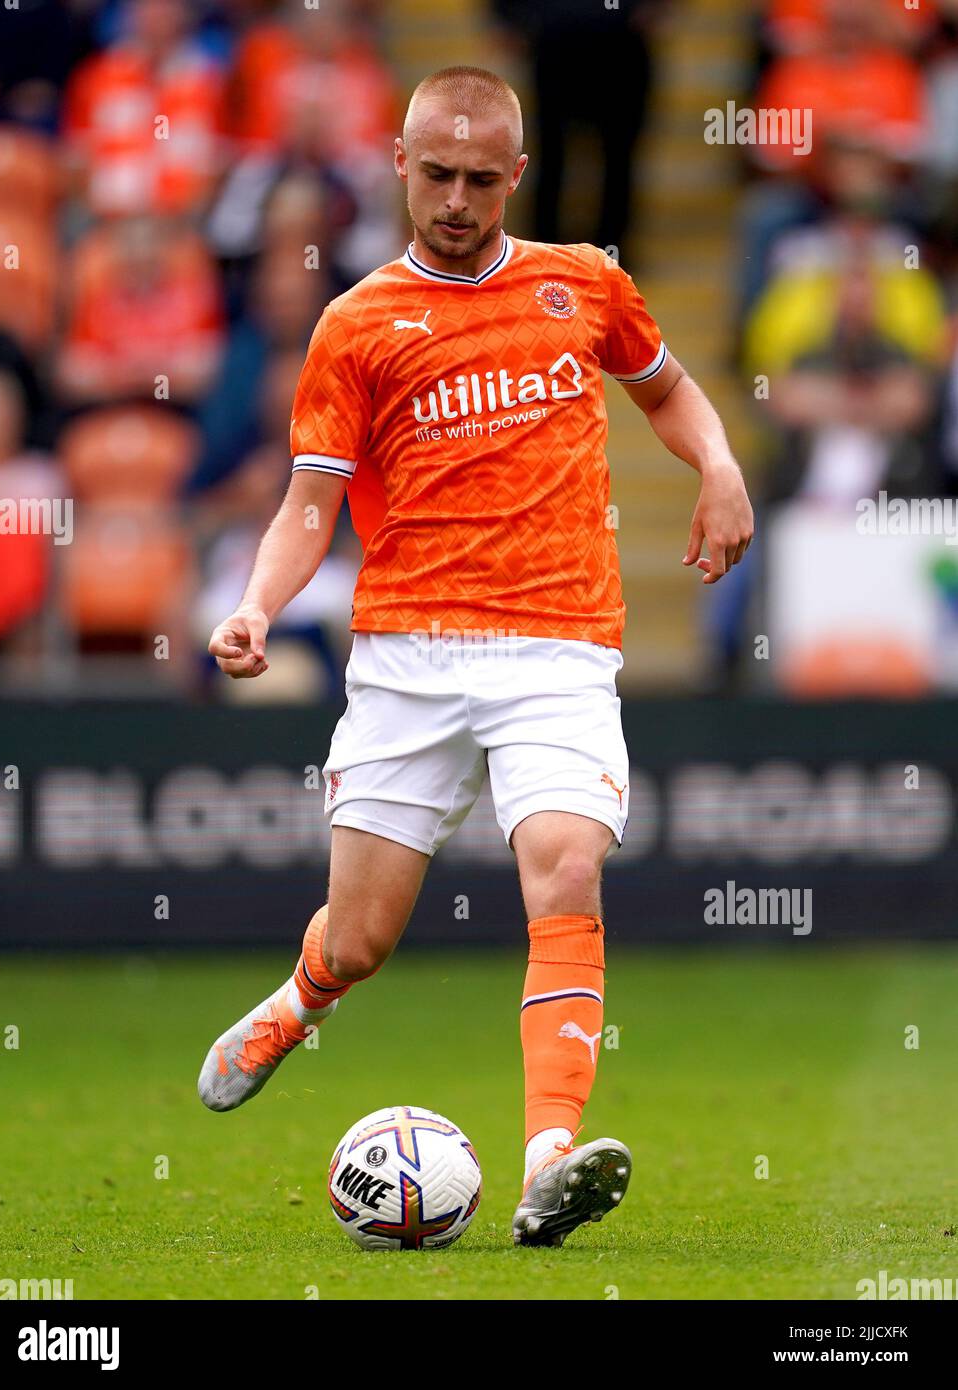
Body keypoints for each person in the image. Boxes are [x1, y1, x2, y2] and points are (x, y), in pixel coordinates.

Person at [196, 67, 753, 1248]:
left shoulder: (583, 284)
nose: (455, 199)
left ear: (517, 175)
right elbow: (311, 502)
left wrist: (717, 464)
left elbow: (670, 389)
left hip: (557, 646)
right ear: (399, 164)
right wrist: (253, 604)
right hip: (409, 656)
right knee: (361, 939)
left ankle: (548, 1154)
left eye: (480, 179)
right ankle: (300, 1002)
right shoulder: (354, 323)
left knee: (565, 869)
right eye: (436, 175)